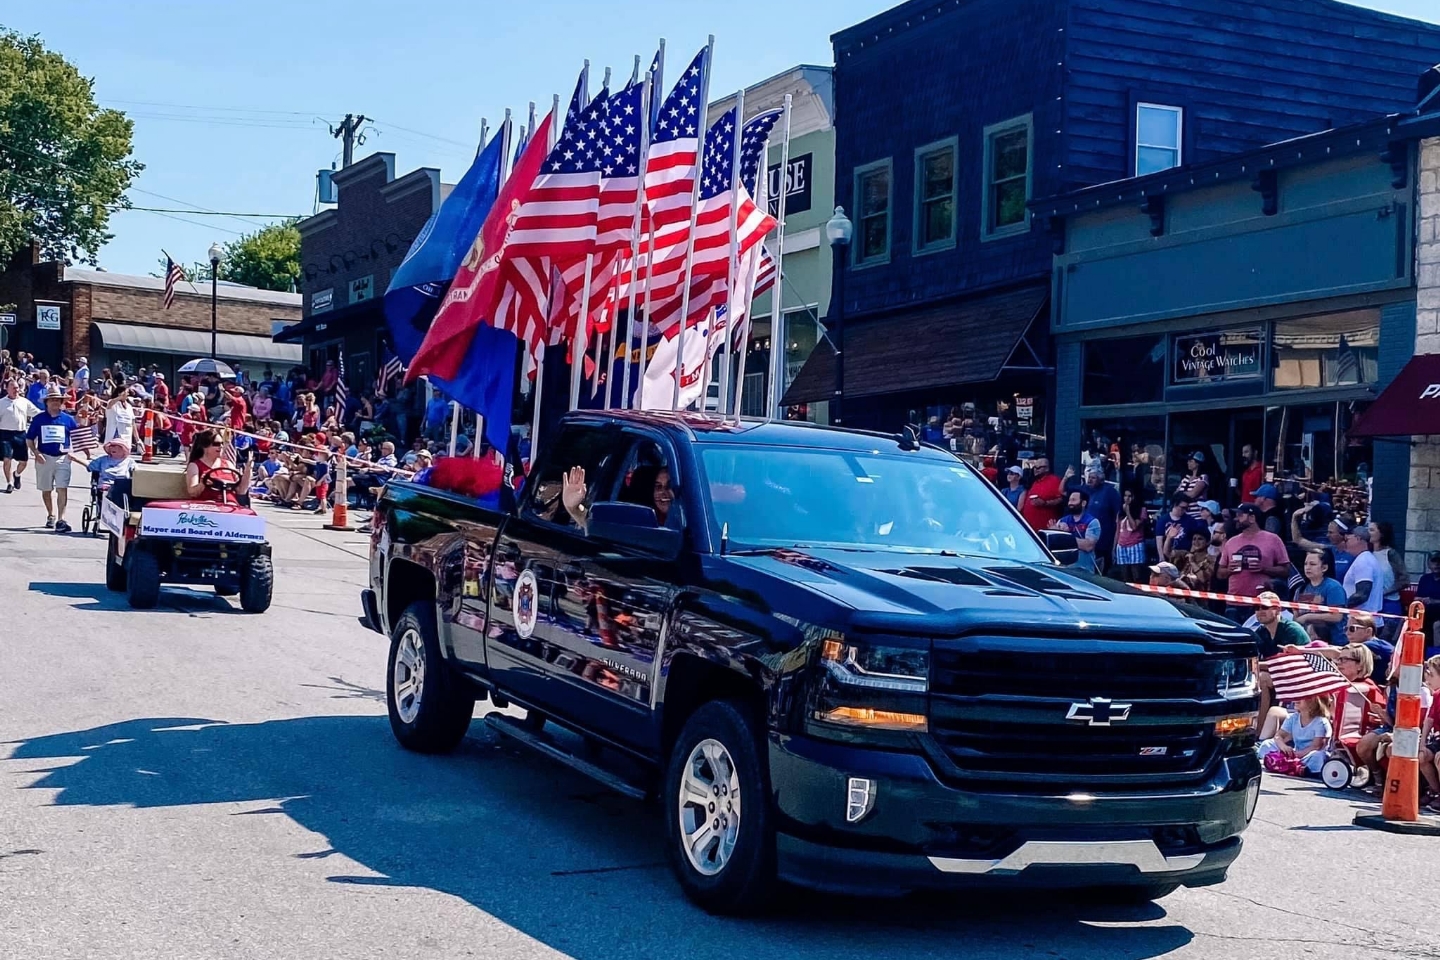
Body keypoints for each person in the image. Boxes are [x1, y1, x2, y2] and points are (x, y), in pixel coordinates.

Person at [1215, 502, 1289, 620]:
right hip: (1234, 602)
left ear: (1252, 518)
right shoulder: (1231, 542)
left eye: (1240, 515)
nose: (1236, 519)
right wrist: (1229, 570)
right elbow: (1219, 573)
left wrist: (1264, 568)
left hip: (1261, 602)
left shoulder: (1273, 539)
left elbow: (1286, 571)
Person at [26, 387, 78, 532]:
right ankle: (51, 515)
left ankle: (61, 519)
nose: (55, 402)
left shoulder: (68, 419)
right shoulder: (39, 419)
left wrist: (75, 452)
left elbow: (77, 437)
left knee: (62, 488)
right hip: (44, 458)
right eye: (52, 400)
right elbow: (30, 439)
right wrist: (36, 453)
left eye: (58, 400)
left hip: (63, 458)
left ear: (62, 402)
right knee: (46, 489)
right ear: (47, 402)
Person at [1256, 695, 1333, 777]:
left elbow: (1316, 747)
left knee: (1318, 756)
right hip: (1295, 753)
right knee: (1267, 744)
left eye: (1301, 697)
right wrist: (1283, 747)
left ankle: (1291, 766)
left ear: (1313, 701)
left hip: (1308, 755)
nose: (1296, 699)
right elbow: (1278, 736)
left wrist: (1296, 755)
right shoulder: (1292, 718)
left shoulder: (1321, 722)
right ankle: (1292, 766)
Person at [1291, 547, 1348, 644]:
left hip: (1333, 642)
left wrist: (1308, 617)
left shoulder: (1333, 587)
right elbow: (1296, 617)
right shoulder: (1300, 590)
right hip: (1307, 642)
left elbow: (1337, 616)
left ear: (1324, 567)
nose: (1307, 567)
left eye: (1312, 564)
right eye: (1305, 564)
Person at [184, 429, 251, 503]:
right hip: (207, 505)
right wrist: (202, 484)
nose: (221, 446)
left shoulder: (228, 464)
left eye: (222, 443)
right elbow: (192, 492)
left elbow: (241, 491)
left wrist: (248, 471)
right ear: (205, 447)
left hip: (230, 505)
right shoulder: (195, 465)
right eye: (216, 444)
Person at [1290, 505, 1354, 582]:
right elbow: (1298, 540)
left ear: (1342, 533)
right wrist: (1294, 518)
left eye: (1331, 532)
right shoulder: (1328, 550)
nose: (1327, 535)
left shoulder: (1355, 553)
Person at [0, 378, 40, 493]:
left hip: (20, 434)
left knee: (23, 462)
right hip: (5, 434)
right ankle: (9, 483)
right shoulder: (1, 403)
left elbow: (37, 413)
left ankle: (16, 474)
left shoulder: (24, 402)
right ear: (7, 389)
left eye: (17, 388)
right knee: (7, 459)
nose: (16, 390)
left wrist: (49, 413)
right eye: (13, 388)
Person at [1052, 489, 1101, 573]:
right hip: (1064, 568)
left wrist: (1065, 536)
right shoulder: (1062, 521)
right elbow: (1055, 544)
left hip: (1084, 569)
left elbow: (1088, 546)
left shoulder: (1092, 522)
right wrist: (1054, 531)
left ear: (1083, 503)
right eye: (1069, 500)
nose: (1070, 503)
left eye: (1074, 500)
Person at [1369, 521, 1408, 625]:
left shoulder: (1391, 554)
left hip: (1389, 603)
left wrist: (1384, 592)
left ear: (1382, 534)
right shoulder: (1367, 554)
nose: (1368, 533)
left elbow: (1404, 580)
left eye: (1372, 530)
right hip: (1371, 603)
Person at [1340, 525, 1386, 615]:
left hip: (1361, 621)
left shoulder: (1363, 561)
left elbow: (1362, 595)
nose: (1345, 543)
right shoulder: (1366, 558)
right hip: (1366, 618)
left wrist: (1340, 607)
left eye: (1347, 540)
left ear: (1358, 539)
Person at [1081, 466, 1120, 570]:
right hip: (1087, 536)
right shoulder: (1086, 490)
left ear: (1100, 479)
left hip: (1105, 537)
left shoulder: (1110, 492)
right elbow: (1063, 491)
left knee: (1103, 566)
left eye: (1093, 478)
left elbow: (1118, 514)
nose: (1089, 480)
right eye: (1089, 477)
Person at [1156, 492, 1206, 562]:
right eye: (1183, 507)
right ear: (1175, 504)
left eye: (1187, 508)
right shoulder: (1163, 520)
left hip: (1184, 557)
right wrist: (1161, 557)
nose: (1184, 510)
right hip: (1168, 557)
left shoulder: (1190, 520)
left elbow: (1194, 539)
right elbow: (1159, 540)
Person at [1113, 487, 1149, 583]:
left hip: (1135, 544)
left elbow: (1134, 527)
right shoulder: (1120, 512)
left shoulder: (1142, 510)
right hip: (1121, 545)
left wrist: (1128, 512)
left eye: (1130, 496)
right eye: (1125, 496)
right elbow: (1117, 531)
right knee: (1124, 575)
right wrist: (1114, 548)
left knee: (1136, 575)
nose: (1127, 499)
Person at [1019, 457, 1064, 532]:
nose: (1036, 470)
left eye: (1039, 467)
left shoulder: (1054, 480)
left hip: (1044, 527)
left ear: (1047, 468)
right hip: (1029, 528)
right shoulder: (1034, 482)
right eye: (1034, 467)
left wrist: (1045, 503)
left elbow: (1061, 500)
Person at [103, 382, 136, 449]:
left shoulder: (129, 406)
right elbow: (110, 404)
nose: (128, 394)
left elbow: (133, 423)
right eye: (127, 392)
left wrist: (137, 439)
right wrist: (120, 397)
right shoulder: (113, 403)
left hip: (127, 435)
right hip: (116, 433)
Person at [1178, 451, 1209, 518]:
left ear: (1197, 463)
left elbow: (1193, 494)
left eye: (1191, 461)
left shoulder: (1203, 478)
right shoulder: (1185, 478)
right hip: (1183, 515)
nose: (1188, 463)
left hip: (1196, 516)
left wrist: (1180, 494)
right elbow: (1175, 493)